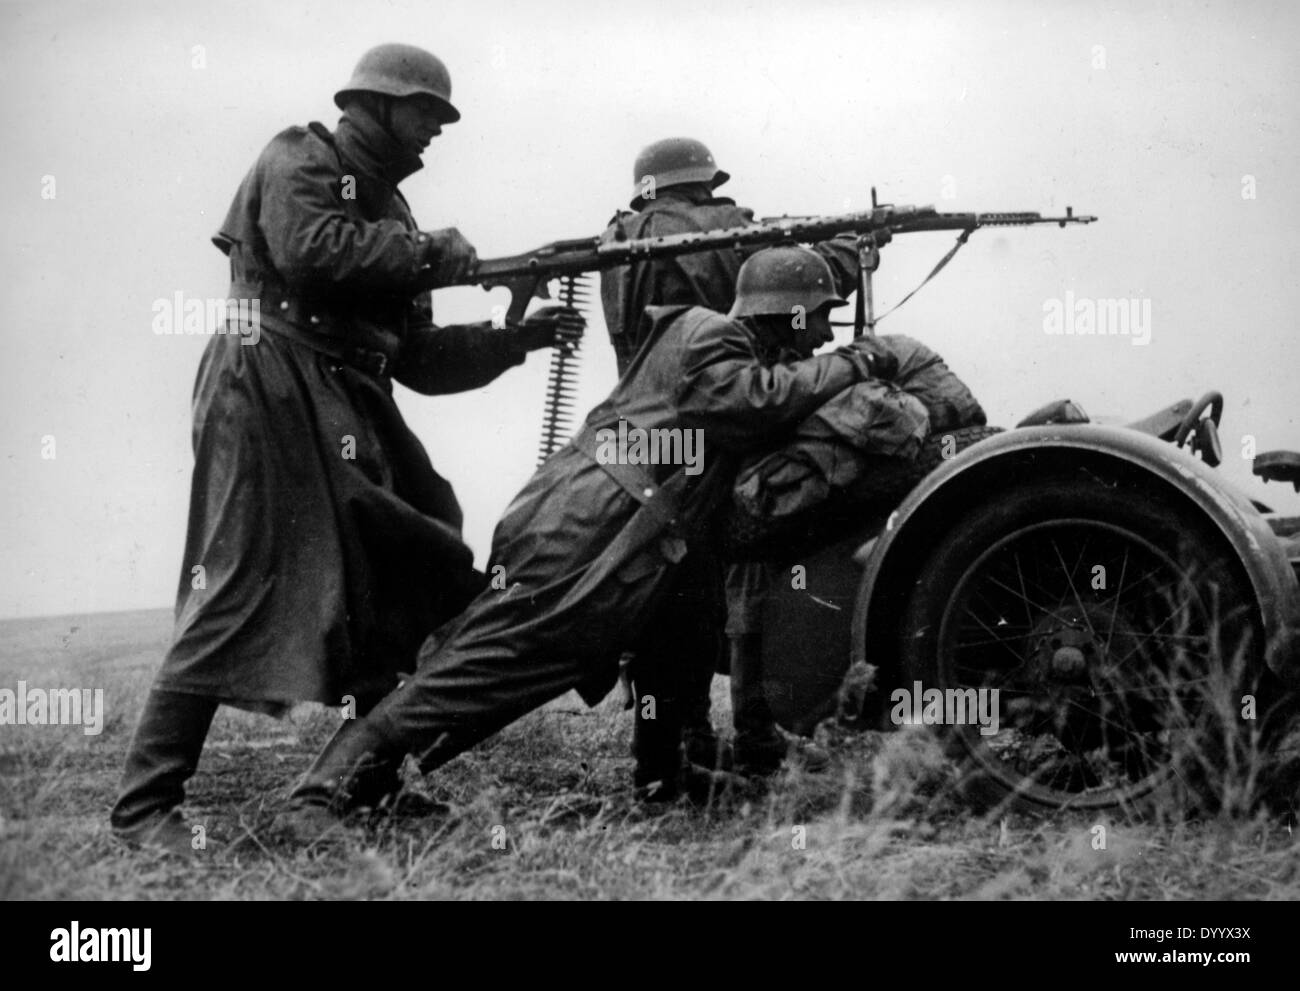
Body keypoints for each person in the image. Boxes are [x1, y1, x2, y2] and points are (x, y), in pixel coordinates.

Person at [110, 43, 576, 853]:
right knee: (237, 579)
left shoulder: (395, 215)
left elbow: (418, 361)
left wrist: (515, 341)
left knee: (402, 569)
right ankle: (145, 809)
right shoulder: (301, 155)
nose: (435, 128)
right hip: (266, 385)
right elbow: (309, 250)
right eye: (426, 110)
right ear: (376, 103)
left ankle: (366, 787)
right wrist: (436, 257)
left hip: (347, 399)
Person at [276, 245, 899, 837]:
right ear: (784, 310)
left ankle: (667, 774)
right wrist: (857, 363)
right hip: (583, 527)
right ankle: (322, 794)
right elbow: (743, 403)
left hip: (635, 528)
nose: (823, 334)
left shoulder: (736, 348)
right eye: (819, 318)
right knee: (489, 663)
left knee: (681, 631)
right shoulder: (713, 334)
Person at [598, 137, 864, 780]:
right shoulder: (707, 227)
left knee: (676, 596)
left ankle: (679, 743)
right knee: (733, 584)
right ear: (699, 184)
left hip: (653, 431)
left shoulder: (621, 239)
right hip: (722, 426)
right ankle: (745, 737)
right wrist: (847, 255)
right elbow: (775, 281)